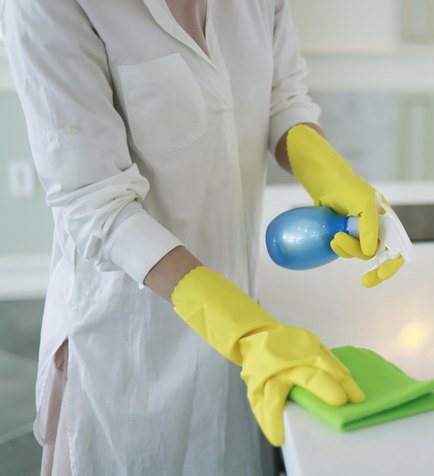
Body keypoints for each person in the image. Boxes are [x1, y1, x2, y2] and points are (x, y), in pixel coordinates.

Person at [0, 1, 405, 474]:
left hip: (237, 310)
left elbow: (283, 99)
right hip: (130, 340)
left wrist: (327, 173)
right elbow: (96, 202)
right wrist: (244, 330)